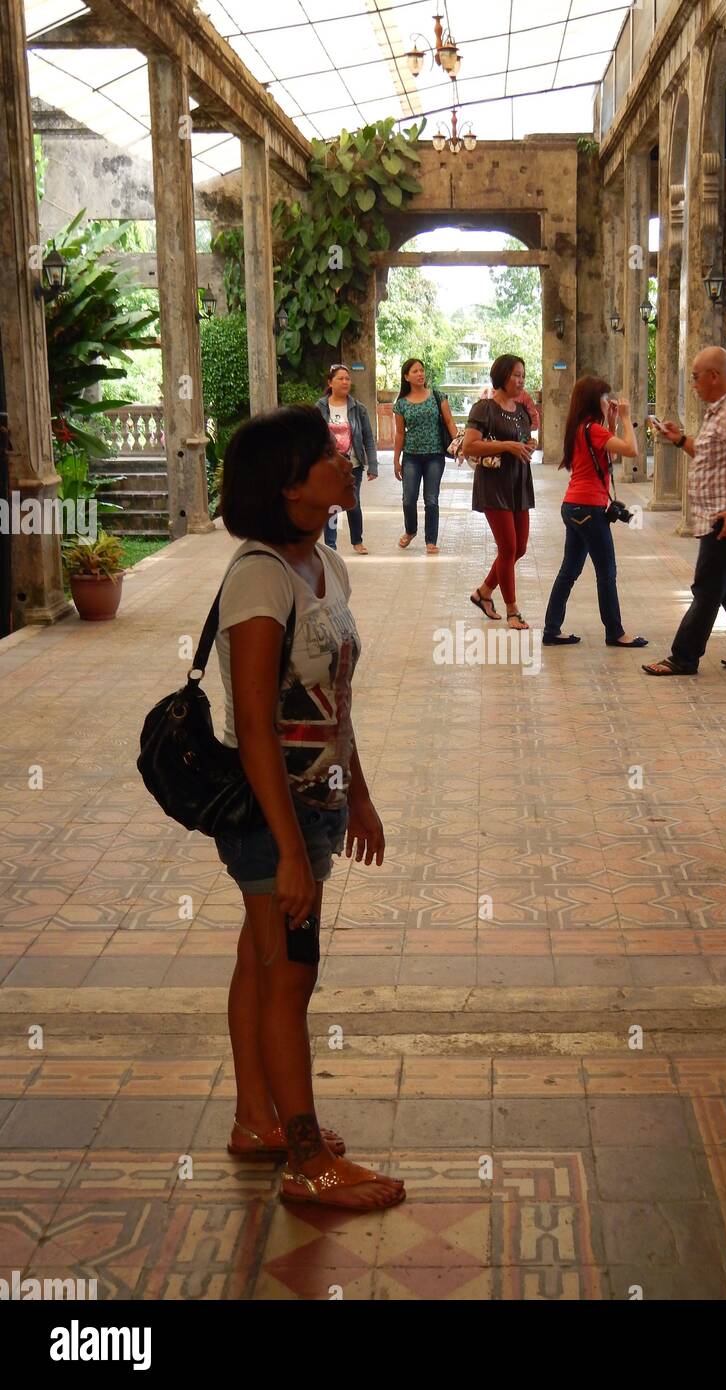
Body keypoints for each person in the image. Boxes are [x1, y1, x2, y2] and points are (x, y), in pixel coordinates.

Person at [215, 404, 405, 1209]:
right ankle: (304, 1160)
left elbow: (334, 697)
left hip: (316, 800)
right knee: (291, 974)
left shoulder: (323, 562)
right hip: (271, 815)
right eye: (327, 458)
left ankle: (256, 1119)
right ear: (288, 487)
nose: (347, 462)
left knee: (261, 960)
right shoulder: (258, 576)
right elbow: (255, 725)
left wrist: (356, 793)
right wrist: (290, 848)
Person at [643, 346, 726, 676]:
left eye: (697, 378)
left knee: (706, 588)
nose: (695, 384)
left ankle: (683, 656)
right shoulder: (721, 411)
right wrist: (679, 439)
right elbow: (709, 454)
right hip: (720, 512)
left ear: (715, 376)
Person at [542, 376, 647, 648]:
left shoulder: (580, 428)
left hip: (572, 506)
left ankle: (552, 629)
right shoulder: (593, 430)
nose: (608, 401)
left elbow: (606, 458)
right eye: (604, 397)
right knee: (606, 572)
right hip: (589, 508)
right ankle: (615, 632)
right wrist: (625, 418)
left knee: (569, 570)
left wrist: (610, 421)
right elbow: (632, 450)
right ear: (593, 400)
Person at [463, 354, 536, 630]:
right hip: (494, 485)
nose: (521, 381)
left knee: (520, 548)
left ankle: (483, 592)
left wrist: (527, 444)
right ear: (503, 376)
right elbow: (470, 446)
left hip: (518, 481)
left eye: (523, 376)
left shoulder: (520, 411)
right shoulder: (484, 408)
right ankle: (512, 610)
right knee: (507, 548)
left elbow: (520, 441)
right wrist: (507, 446)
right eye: (516, 375)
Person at [392, 358, 460, 555]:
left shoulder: (437, 396)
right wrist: (396, 460)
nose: (420, 374)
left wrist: (458, 445)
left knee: (431, 499)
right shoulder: (401, 404)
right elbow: (399, 434)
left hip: (434, 456)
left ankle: (431, 540)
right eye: (415, 371)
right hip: (411, 456)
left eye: (422, 370)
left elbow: (449, 422)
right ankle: (410, 530)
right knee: (408, 499)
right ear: (406, 377)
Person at [315, 364, 378, 554]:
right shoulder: (319, 408)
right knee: (332, 503)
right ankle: (331, 545)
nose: (345, 382)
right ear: (330, 382)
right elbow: (313, 436)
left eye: (347, 379)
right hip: (329, 465)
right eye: (340, 378)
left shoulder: (358, 408)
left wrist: (372, 465)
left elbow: (367, 437)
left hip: (353, 464)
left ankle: (357, 541)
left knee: (353, 501)